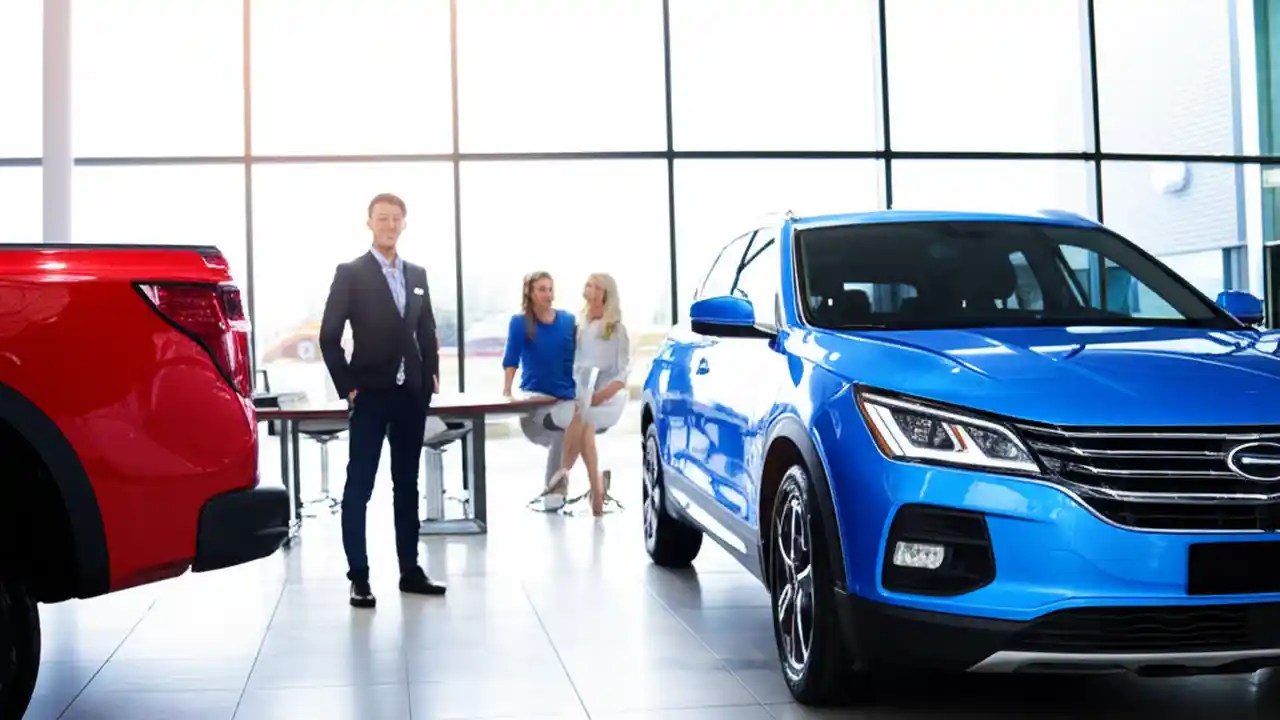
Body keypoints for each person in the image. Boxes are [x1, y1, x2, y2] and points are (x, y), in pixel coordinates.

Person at [319, 192, 446, 609]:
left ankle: (409, 570)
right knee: (360, 486)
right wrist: (348, 386)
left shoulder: (418, 274)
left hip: (410, 396)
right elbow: (329, 336)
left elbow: (425, 331)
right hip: (371, 395)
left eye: (396, 219)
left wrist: (430, 378)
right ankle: (359, 577)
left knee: (406, 486)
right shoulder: (351, 273)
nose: (389, 225)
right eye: (382, 218)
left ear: (404, 224)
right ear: (370, 223)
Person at [546, 273, 631, 516]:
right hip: (583, 392)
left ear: (606, 295)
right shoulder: (580, 323)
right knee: (585, 426)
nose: (590, 289)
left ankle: (563, 474)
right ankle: (596, 486)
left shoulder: (615, 328)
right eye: (589, 284)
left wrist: (599, 396)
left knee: (583, 417)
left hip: (608, 397)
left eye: (596, 286)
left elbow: (622, 374)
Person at [501, 271, 579, 503]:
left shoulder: (567, 321)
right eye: (542, 289)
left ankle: (554, 491)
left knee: (566, 433)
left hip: (566, 399)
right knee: (561, 433)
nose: (548, 294)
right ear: (530, 293)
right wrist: (507, 391)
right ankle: (554, 490)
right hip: (536, 400)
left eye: (550, 289)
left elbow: (580, 356)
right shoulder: (520, 323)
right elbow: (511, 359)